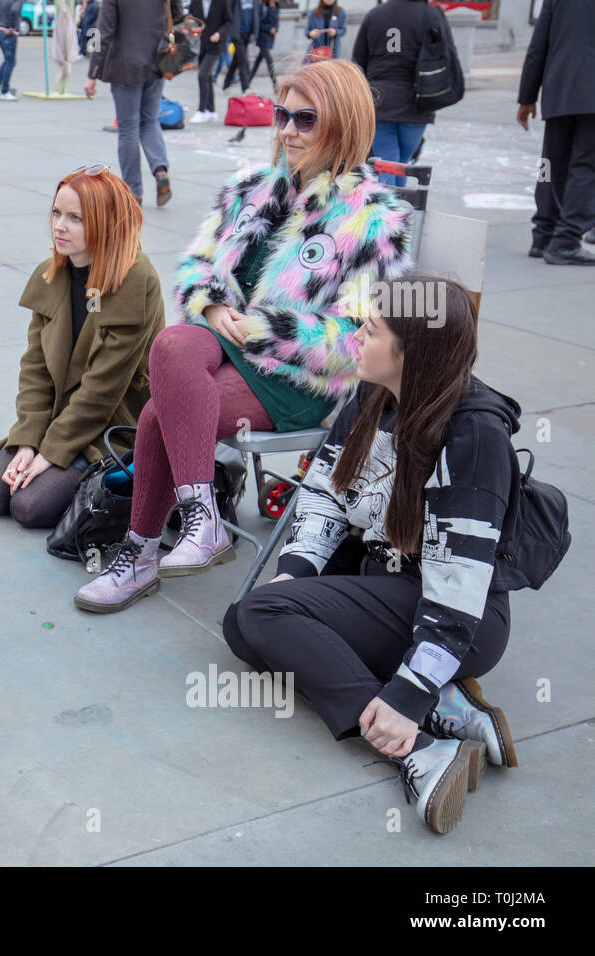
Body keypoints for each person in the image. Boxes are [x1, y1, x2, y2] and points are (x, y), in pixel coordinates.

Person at [75, 59, 414, 613]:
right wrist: (209, 305)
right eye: (283, 115)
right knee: (174, 342)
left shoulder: (371, 220)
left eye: (306, 120)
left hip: (296, 377)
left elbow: (359, 341)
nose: (286, 131)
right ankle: (201, 519)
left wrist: (263, 329)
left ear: (346, 126)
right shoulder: (249, 189)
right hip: (221, 349)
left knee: (161, 413)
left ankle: (141, 554)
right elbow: (197, 267)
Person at [223, 276, 519, 834]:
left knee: (264, 617)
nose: (356, 335)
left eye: (372, 329)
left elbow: (456, 593)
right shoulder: (373, 392)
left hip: (458, 619)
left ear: (414, 351)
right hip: (381, 576)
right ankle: (447, 709)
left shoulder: (474, 435)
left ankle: (420, 747)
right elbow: (325, 496)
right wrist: (294, 572)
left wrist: (406, 695)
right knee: (244, 623)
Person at [0, 166, 165, 525]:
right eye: (56, 213)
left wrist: (50, 454)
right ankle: (55, 468)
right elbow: (34, 369)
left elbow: (103, 389)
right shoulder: (53, 274)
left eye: (76, 218)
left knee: (28, 506)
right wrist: (27, 442)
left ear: (105, 223)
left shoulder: (136, 280)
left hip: (112, 421)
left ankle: (105, 488)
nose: (59, 226)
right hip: (57, 417)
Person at [85, 0, 185, 206]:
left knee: (128, 127)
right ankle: (160, 170)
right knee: (149, 120)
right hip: (159, 61)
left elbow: (103, 32)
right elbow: (177, 16)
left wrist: (93, 72)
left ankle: (133, 191)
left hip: (125, 65)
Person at [518, 0, 595, 266]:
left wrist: (527, 96)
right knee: (586, 167)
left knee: (550, 164)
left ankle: (543, 235)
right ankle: (566, 240)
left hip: (559, 93)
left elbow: (537, 47)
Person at [352, 0, 449, 188]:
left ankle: (391, 210)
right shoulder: (430, 14)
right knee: (403, 160)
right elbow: (445, 55)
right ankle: (398, 206)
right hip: (418, 100)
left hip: (379, 100)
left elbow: (358, 61)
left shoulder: (374, 15)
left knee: (387, 160)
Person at [189, 0, 233, 124]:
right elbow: (191, 18)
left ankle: (201, 111)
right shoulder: (195, 2)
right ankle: (211, 111)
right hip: (200, 44)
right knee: (207, 76)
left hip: (216, 45)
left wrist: (219, 33)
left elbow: (229, 22)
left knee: (202, 74)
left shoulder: (222, 2)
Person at [222, 0, 259, 94]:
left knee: (236, 60)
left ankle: (226, 84)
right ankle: (246, 88)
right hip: (237, 34)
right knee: (243, 60)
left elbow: (256, 13)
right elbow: (228, 13)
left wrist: (255, 30)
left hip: (248, 33)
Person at [0, 0, 18, 100]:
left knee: (7, 60)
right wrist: (14, 28)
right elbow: (15, 9)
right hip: (9, 32)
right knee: (10, 62)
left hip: (1, 31)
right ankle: (4, 91)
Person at [247, 0, 278, 89]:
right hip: (262, 38)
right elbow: (258, 24)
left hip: (270, 38)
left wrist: (275, 28)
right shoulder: (263, 7)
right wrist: (269, 29)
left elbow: (276, 23)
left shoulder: (277, 7)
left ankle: (248, 81)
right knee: (269, 60)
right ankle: (275, 84)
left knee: (258, 61)